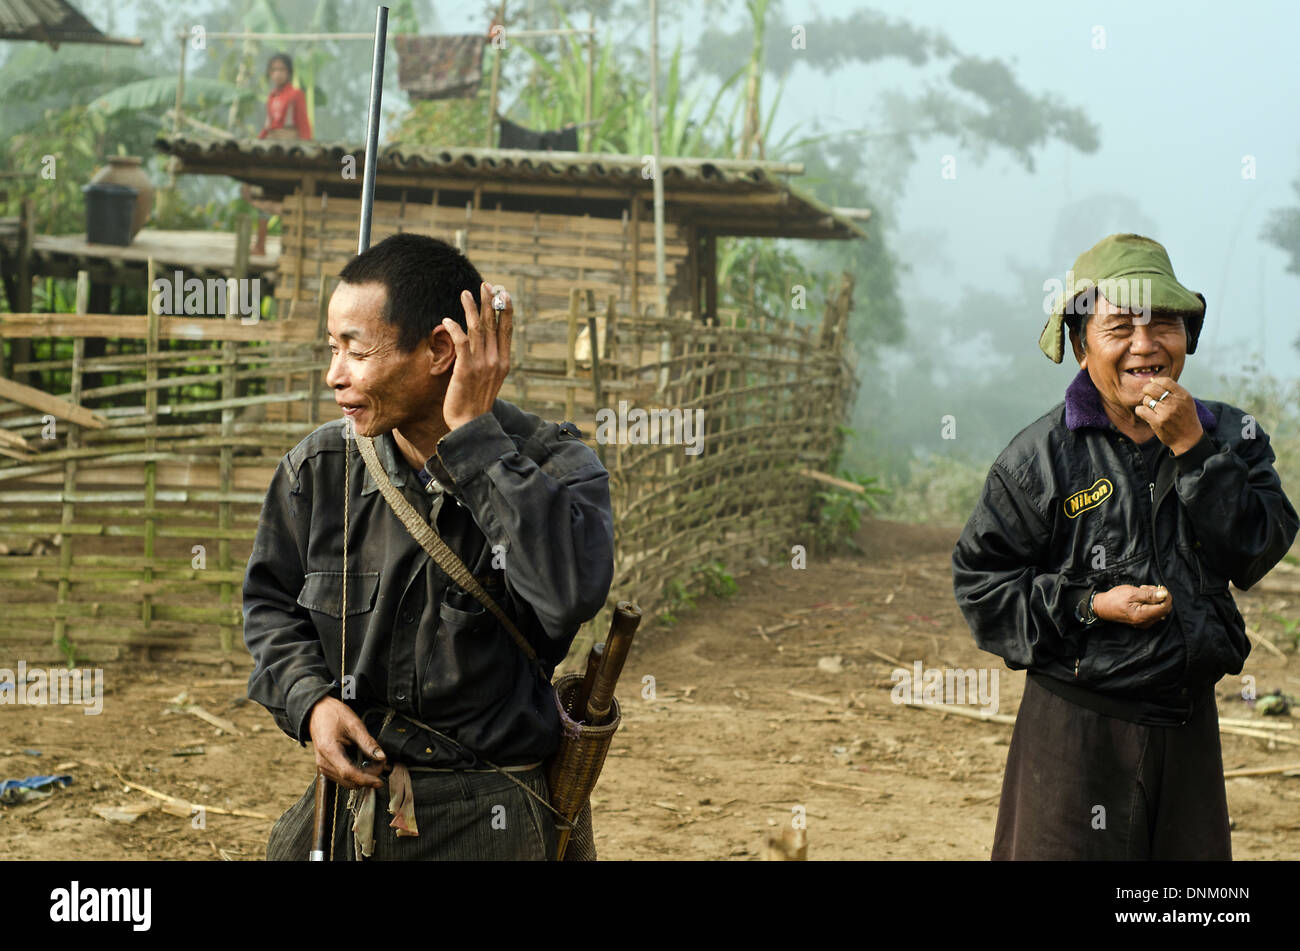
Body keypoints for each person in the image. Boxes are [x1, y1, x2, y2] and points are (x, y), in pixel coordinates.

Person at [243, 233, 615, 860]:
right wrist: (311, 704)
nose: (335, 376)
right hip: (345, 811)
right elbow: (270, 606)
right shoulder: (320, 470)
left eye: (356, 352)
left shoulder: (553, 467)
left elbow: (566, 595)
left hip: (487, 820)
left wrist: (474, 437)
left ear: (441, 349)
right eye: (332, 349)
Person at [952, 233, 1299, 860]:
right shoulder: (1037, 461)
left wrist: (1194, 450)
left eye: (1162, 323)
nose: (1145, 345)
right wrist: (1090, 606)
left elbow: (1257, 549)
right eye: (1119, 328)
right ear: (1082, 345)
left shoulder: (1231, 437)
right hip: (1072, 734)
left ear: (1185, 336)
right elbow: (984, 588)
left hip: (1188, 728)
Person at [247, 52, 311, 255]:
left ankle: (290, 248)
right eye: (274, 70)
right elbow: (267, 128)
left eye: (282, 70)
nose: (277, 74)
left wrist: (307, 152)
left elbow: (303, 125)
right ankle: (260, 244)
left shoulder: (296, 95)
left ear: (289, 73)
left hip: (290, 150)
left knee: (289, 194)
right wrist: (255, 145)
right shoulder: (271, 97)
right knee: (261, 191)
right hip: (271, 149)